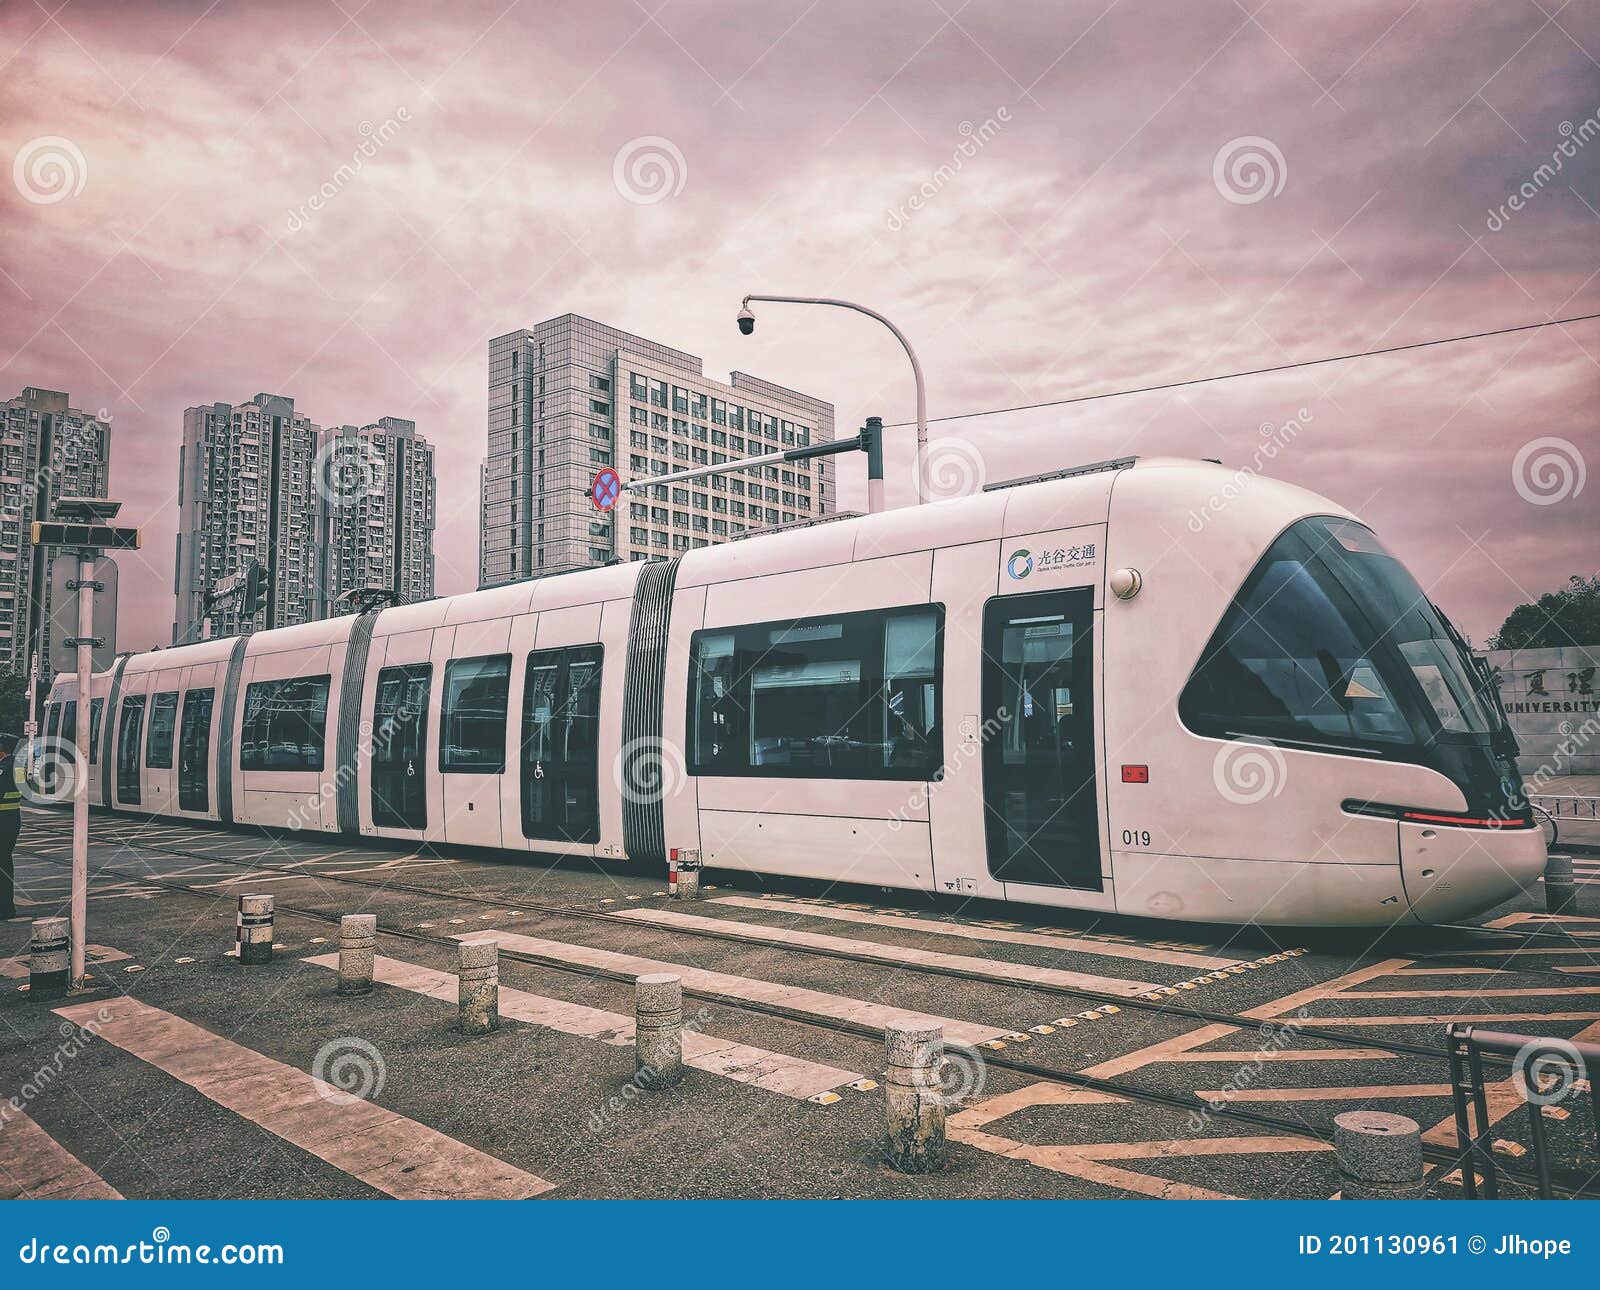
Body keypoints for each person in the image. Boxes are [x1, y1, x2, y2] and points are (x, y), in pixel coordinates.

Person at [0, 731, 19, 920]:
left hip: (3, 821)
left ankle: (5, 908)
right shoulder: (17, 766)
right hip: (12, 819)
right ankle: (6, 906)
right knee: (5, 862)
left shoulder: (5, 768)